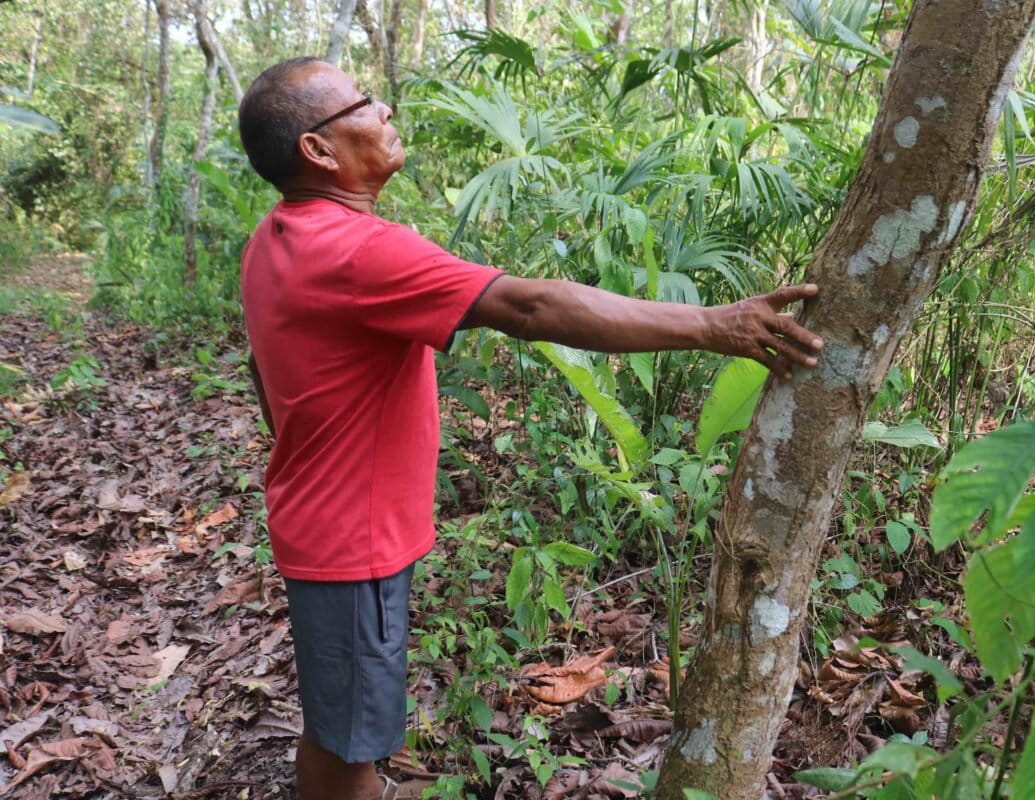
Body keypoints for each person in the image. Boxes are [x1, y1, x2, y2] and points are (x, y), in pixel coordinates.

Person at [236, 56, 824, 800]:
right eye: (362, 103)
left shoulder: (274, 238)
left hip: (318, 523)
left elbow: (262, 372)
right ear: (318, 149)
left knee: (339, 724)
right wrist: (714, 325)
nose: (383, 109)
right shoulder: (357, 250)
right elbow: (529, 307)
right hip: (353, 545)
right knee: (347, 744)